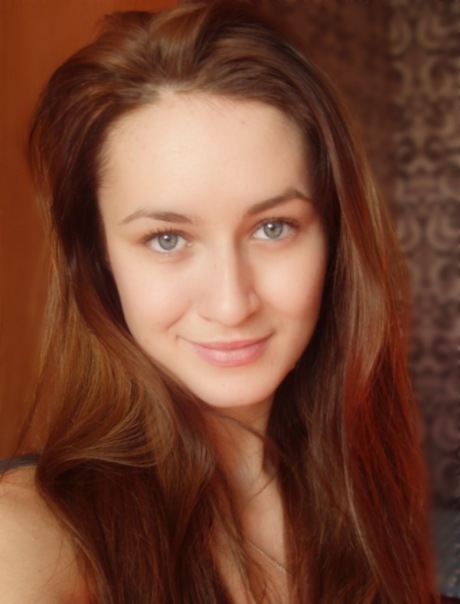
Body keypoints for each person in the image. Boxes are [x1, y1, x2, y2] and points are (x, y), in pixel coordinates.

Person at [0, 2, 438, 602]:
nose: (232, 305)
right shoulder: (33, 534)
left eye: (273, 228)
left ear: (334, 238)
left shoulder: (365, 488)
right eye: (167, 239)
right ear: (99, 256)